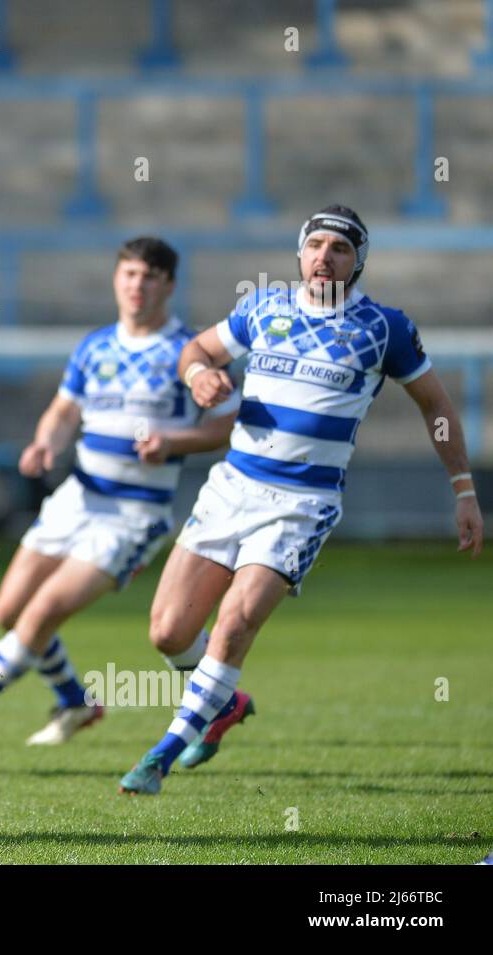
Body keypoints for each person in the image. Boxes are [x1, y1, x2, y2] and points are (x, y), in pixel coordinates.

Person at [119, 205, 484, 795]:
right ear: (300, 252)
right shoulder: (263, 307)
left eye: (339, 248)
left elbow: (436, 407)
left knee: (236, 622)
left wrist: (463, 489)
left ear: (358, 261)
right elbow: (195, 350)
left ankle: (161, 754)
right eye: (315, 244)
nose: (324, 256)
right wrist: (197, 378)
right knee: (167, 632)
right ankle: (224, 704)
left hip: (302, 503)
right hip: (232, 487)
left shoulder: (385, 328)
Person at [0, 238, 237, 746]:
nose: (136, 286)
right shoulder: (95, 346)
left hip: (134, 513)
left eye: (148, 276)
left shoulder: (187, 353)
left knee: (40, 614)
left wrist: (173, 442)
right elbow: (63, 412)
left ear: (168, 283)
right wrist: (44, 444)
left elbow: (226, 428)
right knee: (9, 611)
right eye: (127, 274)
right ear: (116, 279)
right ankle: (76, 702)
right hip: (77, 497)